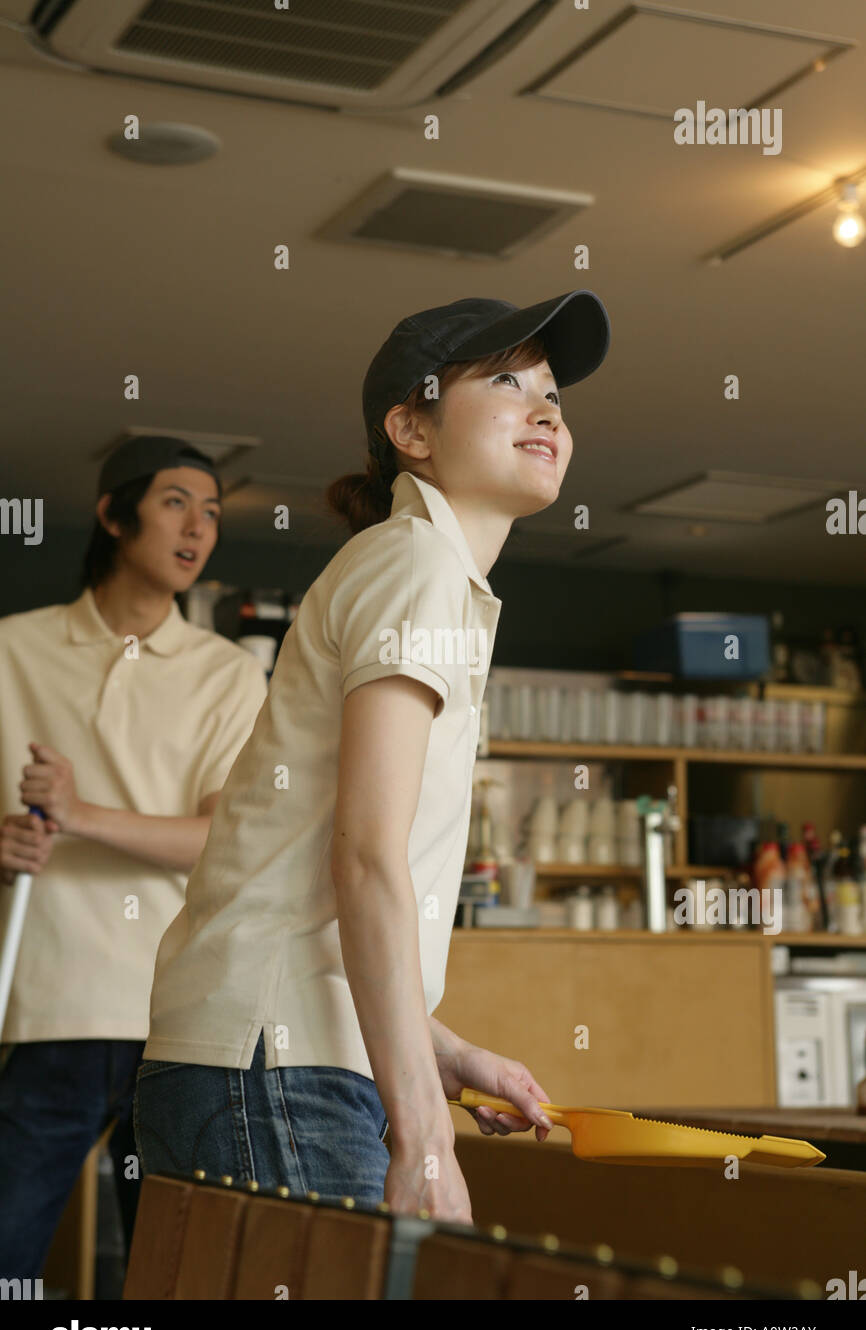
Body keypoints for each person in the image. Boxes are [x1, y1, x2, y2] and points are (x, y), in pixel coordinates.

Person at [135, 292, 610, 1225]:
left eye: (553, 392)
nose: (547, 409)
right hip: (279, 1073)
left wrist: (446, 1050)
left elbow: (303, 898)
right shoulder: (418, 565)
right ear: (411, 428)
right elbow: (364, 859)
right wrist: (426, 1137)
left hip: (252, 1062)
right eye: (507, 381)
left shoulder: (413, 567)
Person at [0, 437, 268, 1280]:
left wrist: (79, 816)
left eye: (214, 511)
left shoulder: (229, 674)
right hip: (53, 1009)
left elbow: (225, 845)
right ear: (115, 516)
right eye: (176, 503)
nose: (200, 528)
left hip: (182, 1016)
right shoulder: (12, 649)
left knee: (171, 1273)